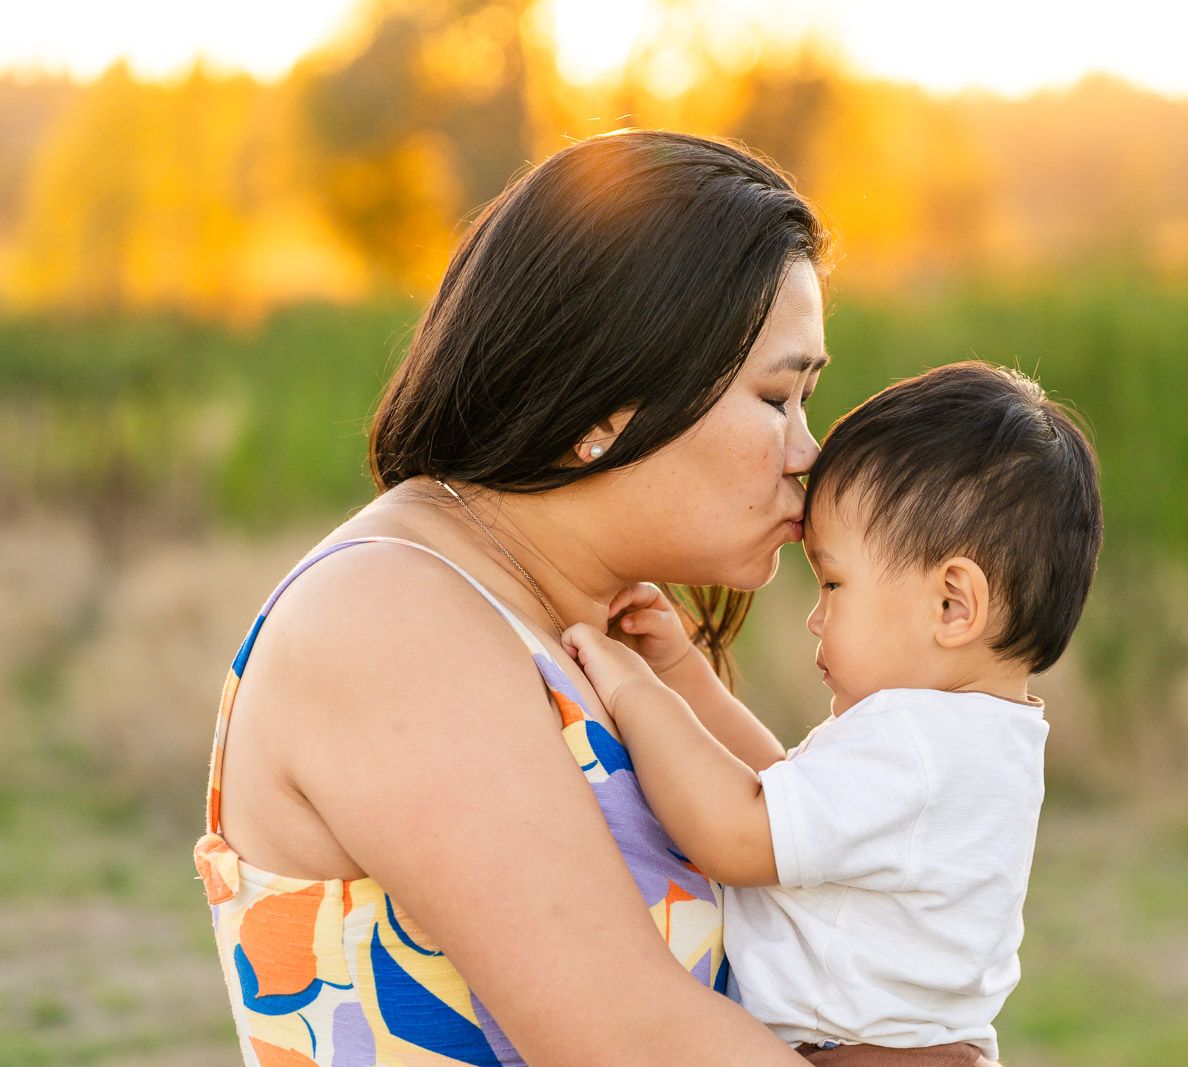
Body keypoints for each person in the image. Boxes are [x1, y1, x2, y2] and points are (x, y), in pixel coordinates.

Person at [192, 129, 832, 1064]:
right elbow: (628, 1039)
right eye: (777, 400)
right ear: (605, 406)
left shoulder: (598, 621)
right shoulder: (389, 617)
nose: (807, 453)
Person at [561, 360, 1105, 1065]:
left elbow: (738, 829)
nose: (817, 618)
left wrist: (634, 688)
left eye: (835, 581)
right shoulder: (975, 738)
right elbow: (785, 787)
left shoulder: (919, 739)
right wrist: (680, 669)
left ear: (952, 605)